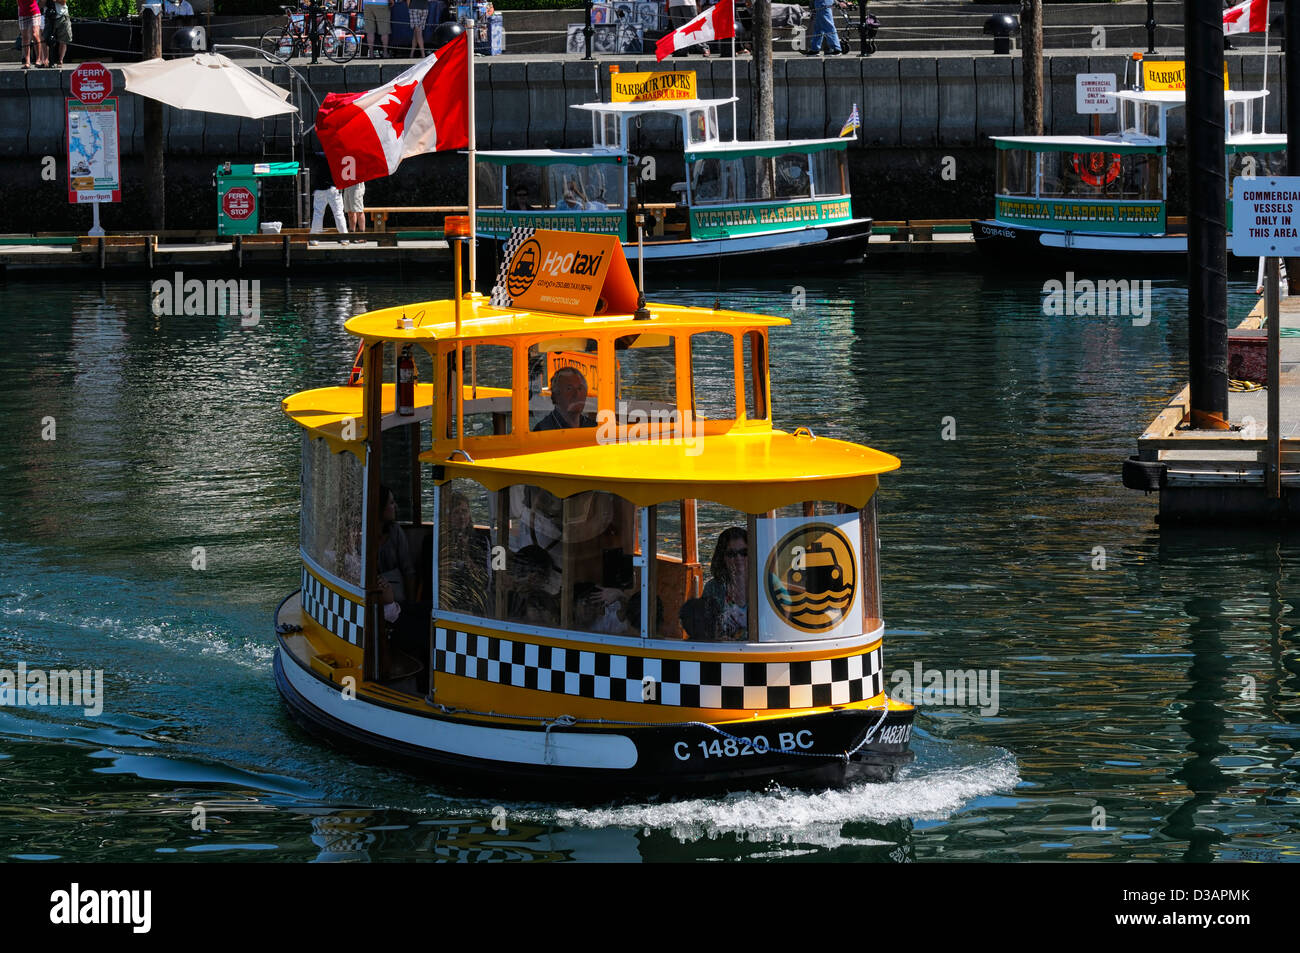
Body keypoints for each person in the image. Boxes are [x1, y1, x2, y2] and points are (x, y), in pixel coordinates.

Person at [701, 527, 748, 640]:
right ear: (722, 557)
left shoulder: (767, 584)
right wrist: (717, 638)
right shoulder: (712, 588)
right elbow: (702, 628)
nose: (738, 558)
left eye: (744, 552)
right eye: (731, 554)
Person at [304, 134, 349, 243]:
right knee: (338, 213)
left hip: (320, 188)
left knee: (318, 213)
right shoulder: (337, 157)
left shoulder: (319, 156)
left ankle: (314, 239)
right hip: (333, 188)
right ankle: (345, 239)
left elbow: (310, 155)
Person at [533, 366, 596, 431]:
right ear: (555, 396)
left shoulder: (593, 427)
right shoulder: (543, 430)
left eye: (580, 388)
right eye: (569, 389)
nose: (577, 394)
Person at [18, 0, 45, 69]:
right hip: (22, 13)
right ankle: (27, 62)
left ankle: (38, 59)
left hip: (34, 12)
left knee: (35, 34)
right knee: (25, 37)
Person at [46, 0, 70, 67]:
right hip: (47, 16)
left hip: (62, 15)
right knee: (46, 39)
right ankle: (46, 60)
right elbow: (39, 4)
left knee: (63, 38)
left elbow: (63, 1)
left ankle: (60, 60)